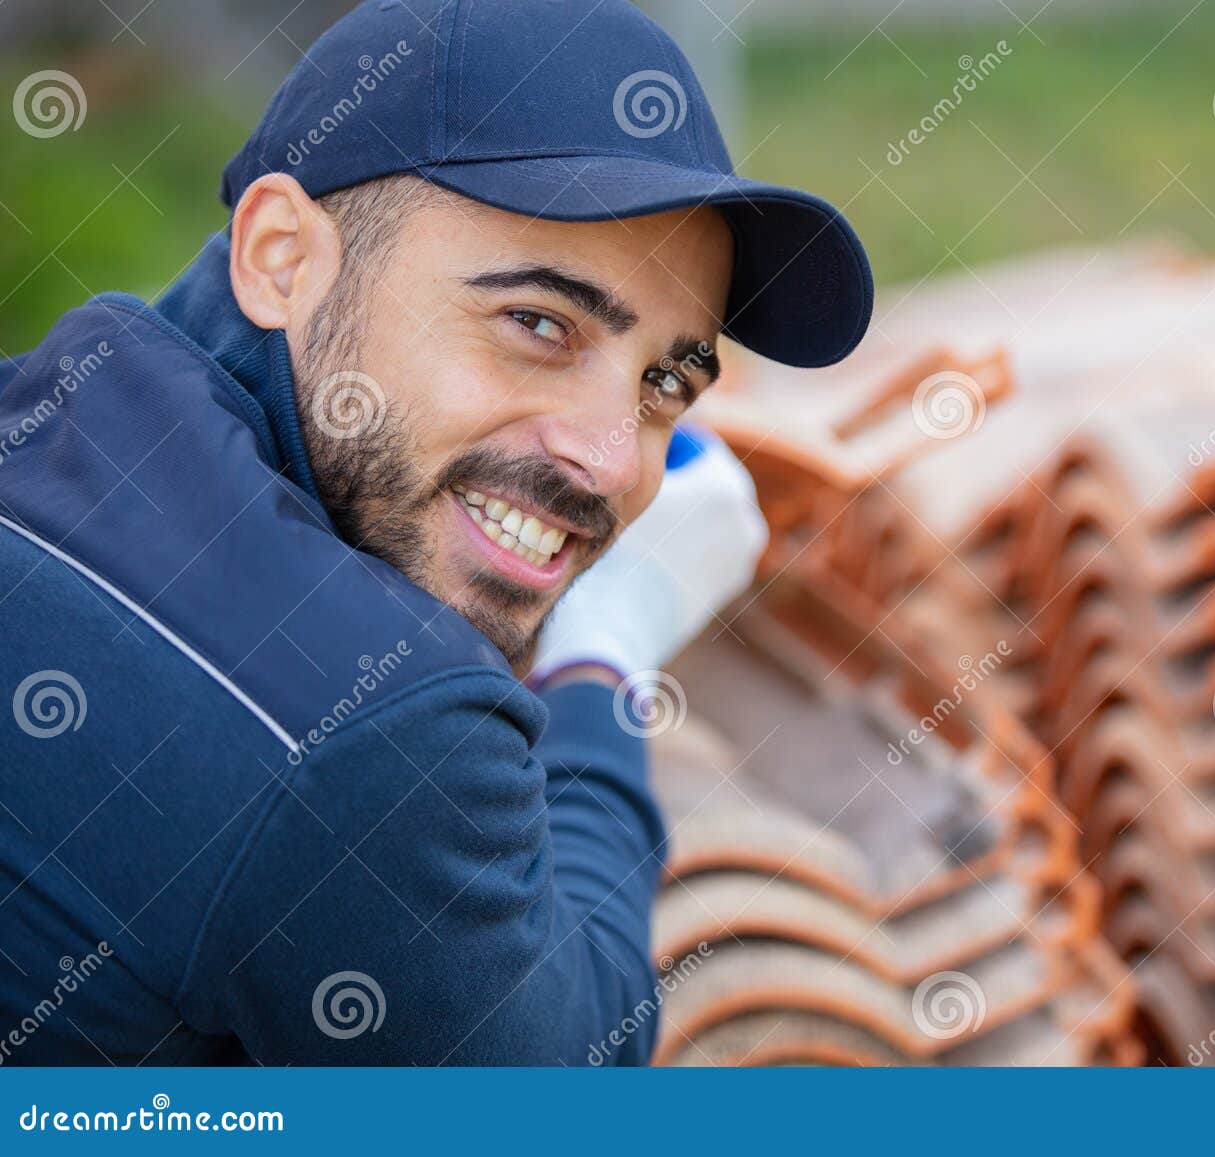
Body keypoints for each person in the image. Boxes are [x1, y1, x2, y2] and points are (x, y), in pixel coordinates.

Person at [0, 0, 871, 1065]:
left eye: (664, 382)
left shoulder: (44, 406)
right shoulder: (375, 732)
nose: (606, 457)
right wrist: (607, 653)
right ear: (282, 259)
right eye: (539, 324)